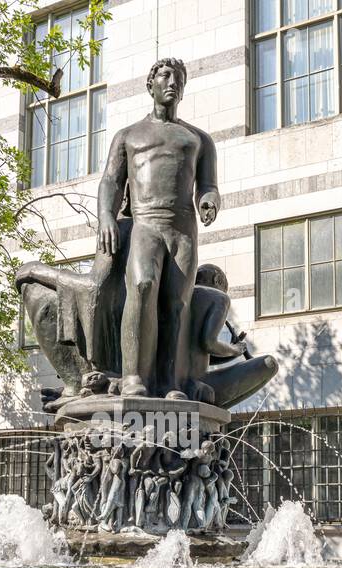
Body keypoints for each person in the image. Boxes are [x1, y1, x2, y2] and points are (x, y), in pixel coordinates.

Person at [98, 56, 220, 400]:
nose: (172, 82)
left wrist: (210, 200)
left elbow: (208, 184)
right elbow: (110, 181)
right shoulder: (129, 136)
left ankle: (168, 382)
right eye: (165, 76)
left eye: (178, 78)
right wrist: (106, 216)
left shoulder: (198, 139)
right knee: (142, 285)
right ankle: (134, 376)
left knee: (177, 303)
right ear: (149, 85)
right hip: (145, 224)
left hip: (182, 227)